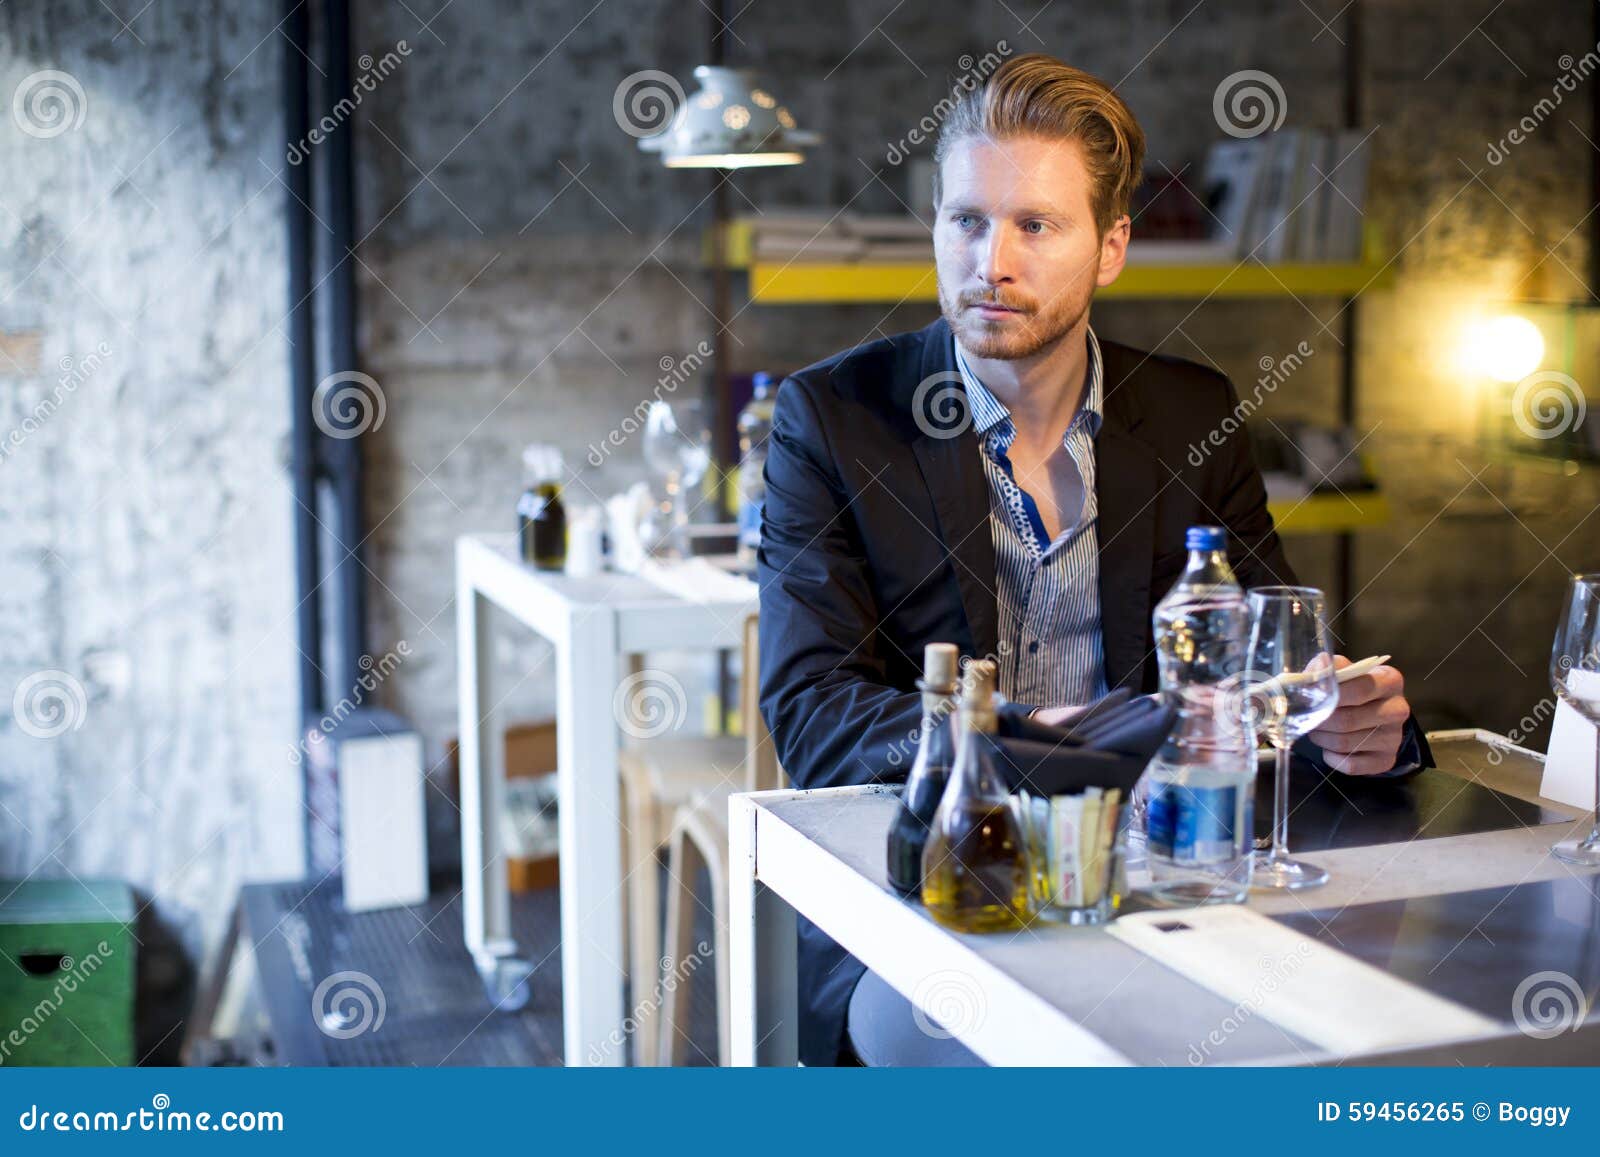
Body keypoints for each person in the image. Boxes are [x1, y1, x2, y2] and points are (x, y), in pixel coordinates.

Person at [755, 53, 1429, 1067]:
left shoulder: (1194, 415)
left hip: (1165, 881)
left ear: (1110, 246)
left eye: (1036, 224)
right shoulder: (835, 418)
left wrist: (1356, 724)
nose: (993, 262)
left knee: (1346, 1038)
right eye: (966, 221)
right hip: (931, 893)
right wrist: (1026, 735)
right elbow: (812, 711)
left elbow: (1260, 667)